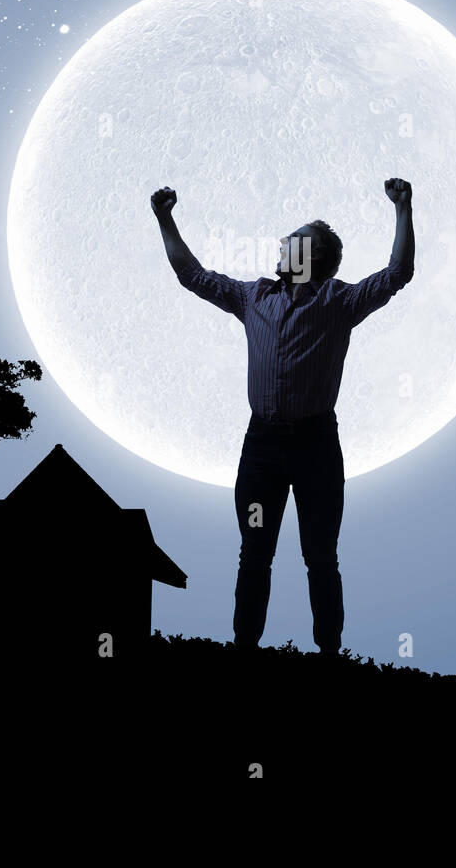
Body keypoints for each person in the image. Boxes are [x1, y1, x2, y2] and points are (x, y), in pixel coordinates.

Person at [150, 178, 415, 656]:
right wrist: (165, 218)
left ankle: (330, 653)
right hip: (262, 450)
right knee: (254, 553)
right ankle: (244, 648)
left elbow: (397, 272)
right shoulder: (254, 297)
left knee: (320, 557)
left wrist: (402, 209)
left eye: (294, 242)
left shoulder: (339, 302)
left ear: (315, 259)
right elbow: (192, 275)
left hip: (315, 448)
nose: (282, 245)